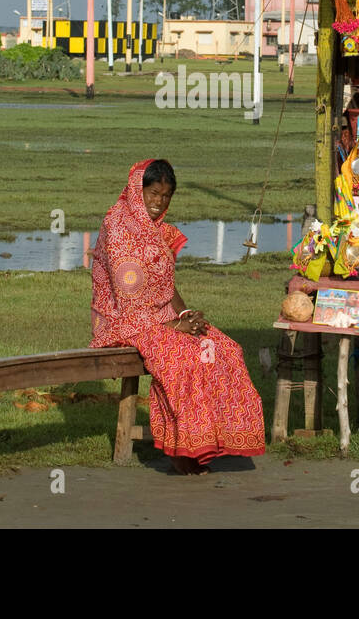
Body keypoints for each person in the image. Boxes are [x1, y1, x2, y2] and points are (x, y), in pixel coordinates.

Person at [90, 159, 265, 474]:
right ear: (137, 191)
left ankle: (209, 443)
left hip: (162, 318)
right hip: (126, 322)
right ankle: (184, 451)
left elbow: (167, 286)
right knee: (184, 358)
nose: (158, 203)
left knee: (222, 348)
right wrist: (172, 326)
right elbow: (127, 296)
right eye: (153, 194)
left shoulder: (156, 230)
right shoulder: (117, 225)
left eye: (166, 196)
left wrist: (186, 315)